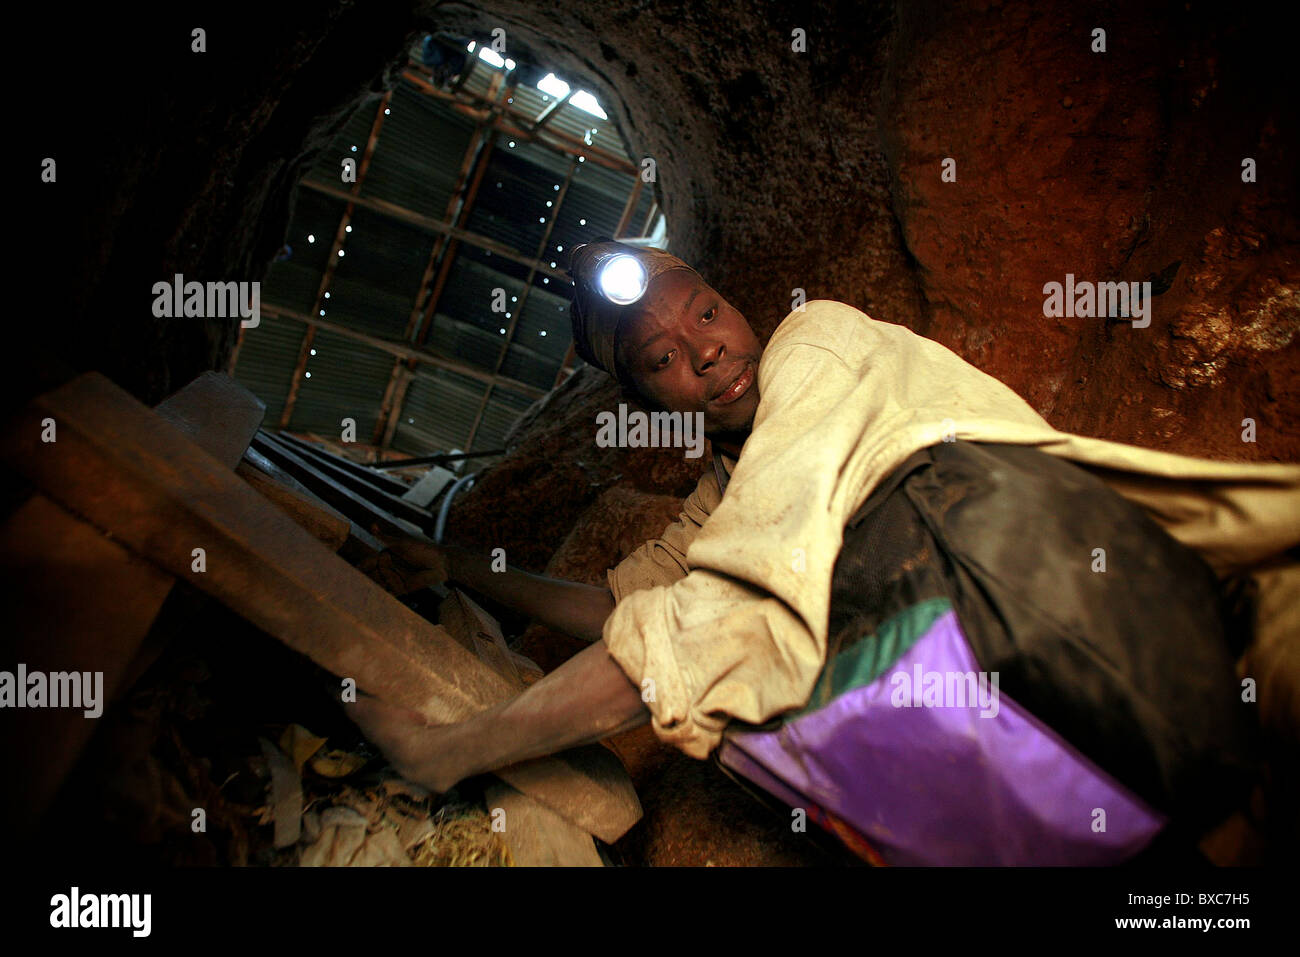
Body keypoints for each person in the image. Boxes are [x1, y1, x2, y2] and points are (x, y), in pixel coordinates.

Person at [348, 240, 1300, 864]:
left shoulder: (818, 337)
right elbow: (625, 607)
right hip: (1011, 704)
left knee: (737, 638)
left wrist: (466, 745)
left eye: (707, 314)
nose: (705, 351)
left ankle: (446, 755)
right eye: (664, 357)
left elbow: (703, 624)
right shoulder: (729, 497)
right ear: (654, 403)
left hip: (1033, 575)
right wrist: (459, 568)